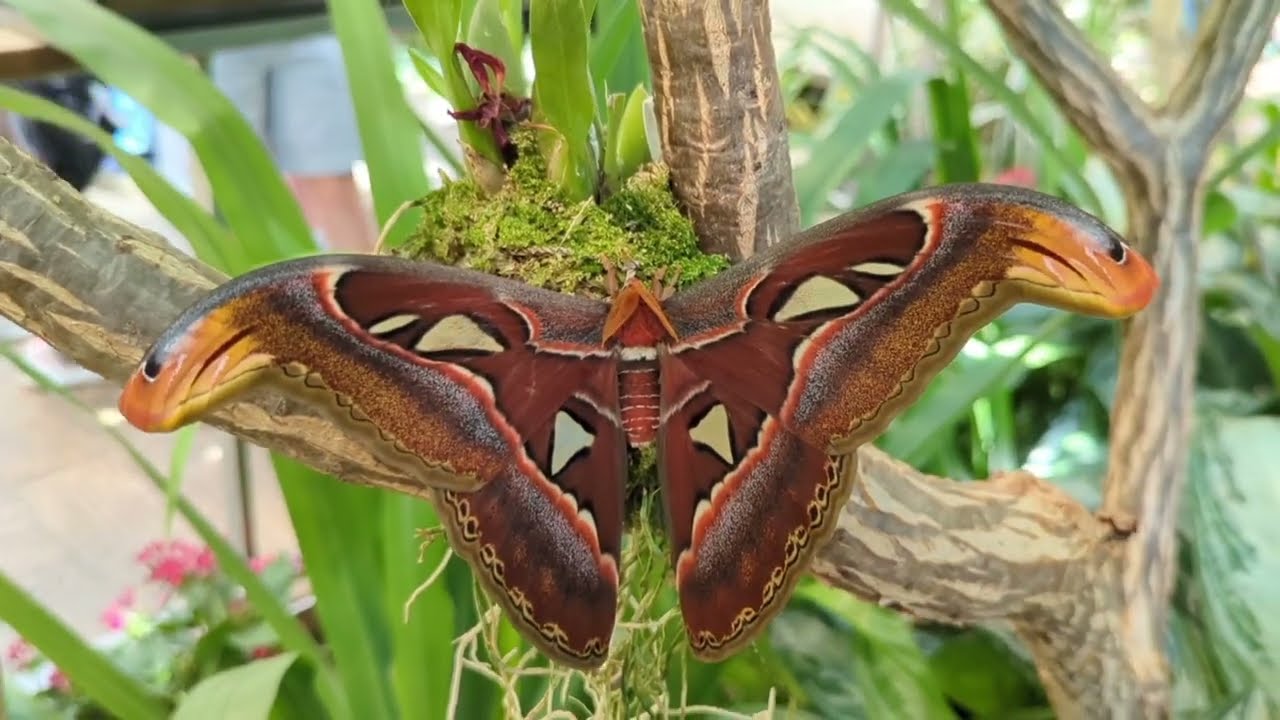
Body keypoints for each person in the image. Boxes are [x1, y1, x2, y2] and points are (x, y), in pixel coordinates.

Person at [209, 33, 377, 253]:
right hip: (218, 34)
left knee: (330, 183)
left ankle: (361, 283)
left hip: (308, 26)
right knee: (234, 189)